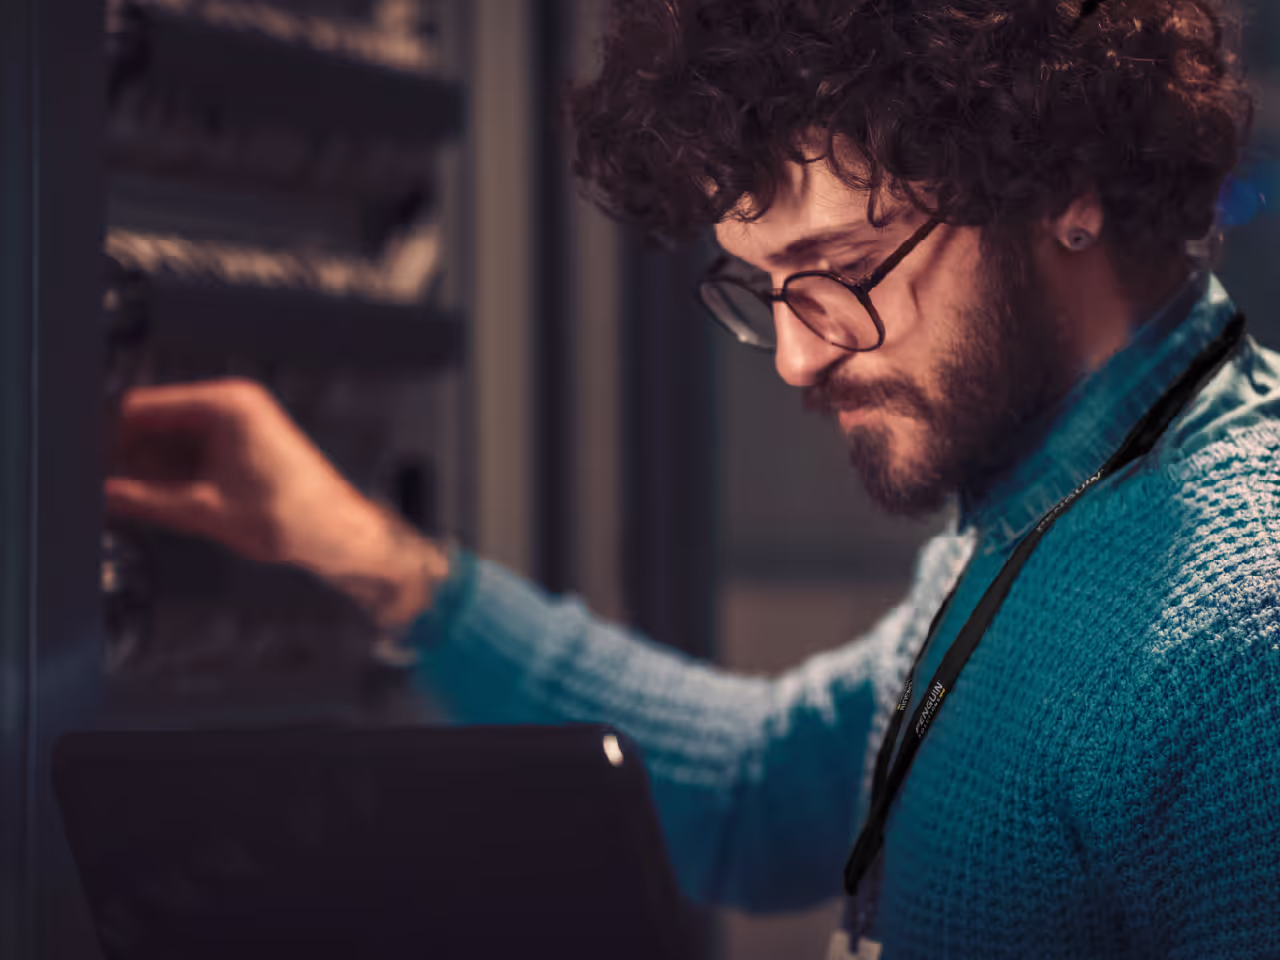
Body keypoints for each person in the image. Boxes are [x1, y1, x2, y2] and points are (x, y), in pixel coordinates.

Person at [105, 1, 1280, 957]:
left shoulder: (1237, 639)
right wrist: (370, 556)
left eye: (843, 270)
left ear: (1066, 184)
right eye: (761, 286)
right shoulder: (1039, 515)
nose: (796, 353)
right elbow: (758, 791)